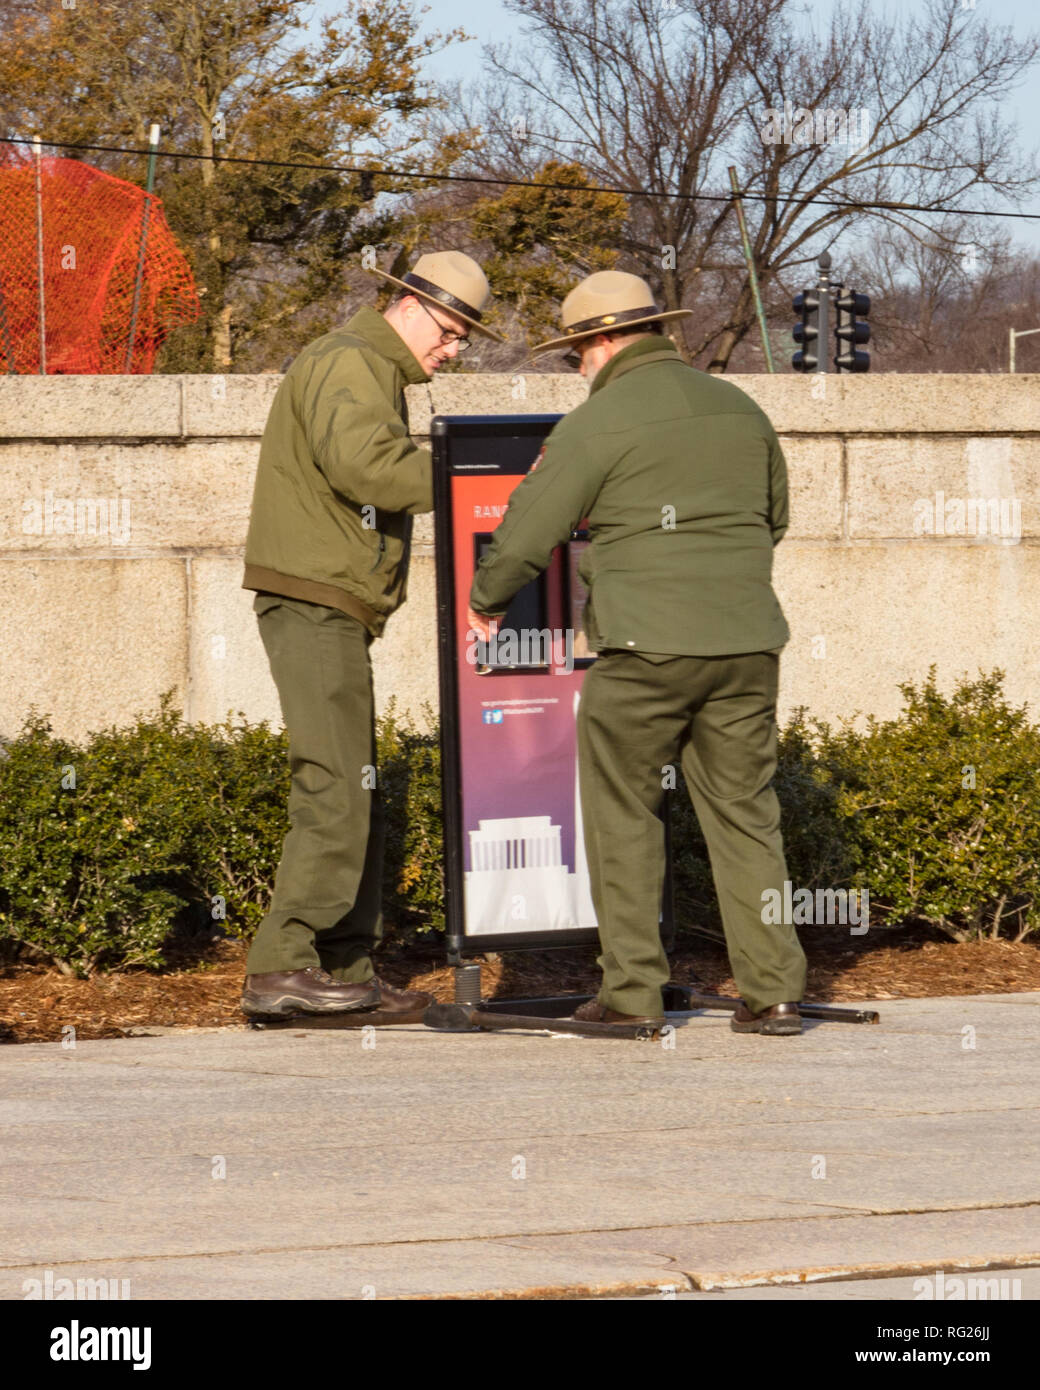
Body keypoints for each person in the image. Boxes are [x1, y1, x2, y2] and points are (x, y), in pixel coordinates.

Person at [468, 270, 807, 1036]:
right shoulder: (740, 407)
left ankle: (632, 993)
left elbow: (528, 528)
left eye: (573, 354)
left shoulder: (600, 420)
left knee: (624, 810)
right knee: (748, 815)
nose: (577, 369)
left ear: (602, 341)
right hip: (749, 642)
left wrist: (487, 601)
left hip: (645, 648)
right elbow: (774, 517)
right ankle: (776, 990)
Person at [241, 251, 503, 1019]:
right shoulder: (350, 363)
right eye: (452, 331)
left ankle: (344, 971)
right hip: (315, 599)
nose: (453, 350)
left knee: (355, 785)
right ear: (411, 306)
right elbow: (370, 468)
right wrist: (474, 474)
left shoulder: (364, 366)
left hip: (331, 603)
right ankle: (282, 967)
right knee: (335, 785)